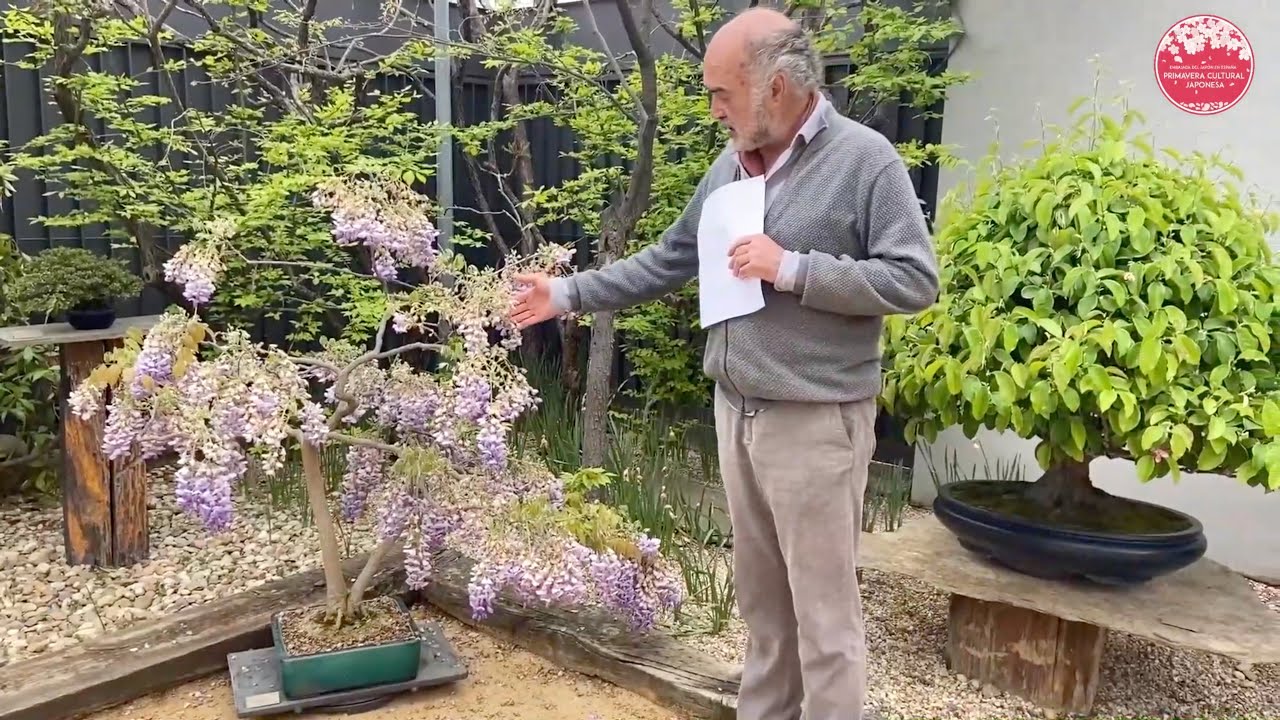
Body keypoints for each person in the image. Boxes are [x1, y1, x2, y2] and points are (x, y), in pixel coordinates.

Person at [509, 7, 938, 720]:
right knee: (765, 613)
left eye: (720, 94)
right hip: (738, 414)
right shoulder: (729, 166)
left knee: (826, 626)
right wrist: (568, 292)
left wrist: (794, 268)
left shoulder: (866, 161)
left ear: (776, 87)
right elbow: (673, 258)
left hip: (816, 424)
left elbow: (914, 281)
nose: (712, 111)